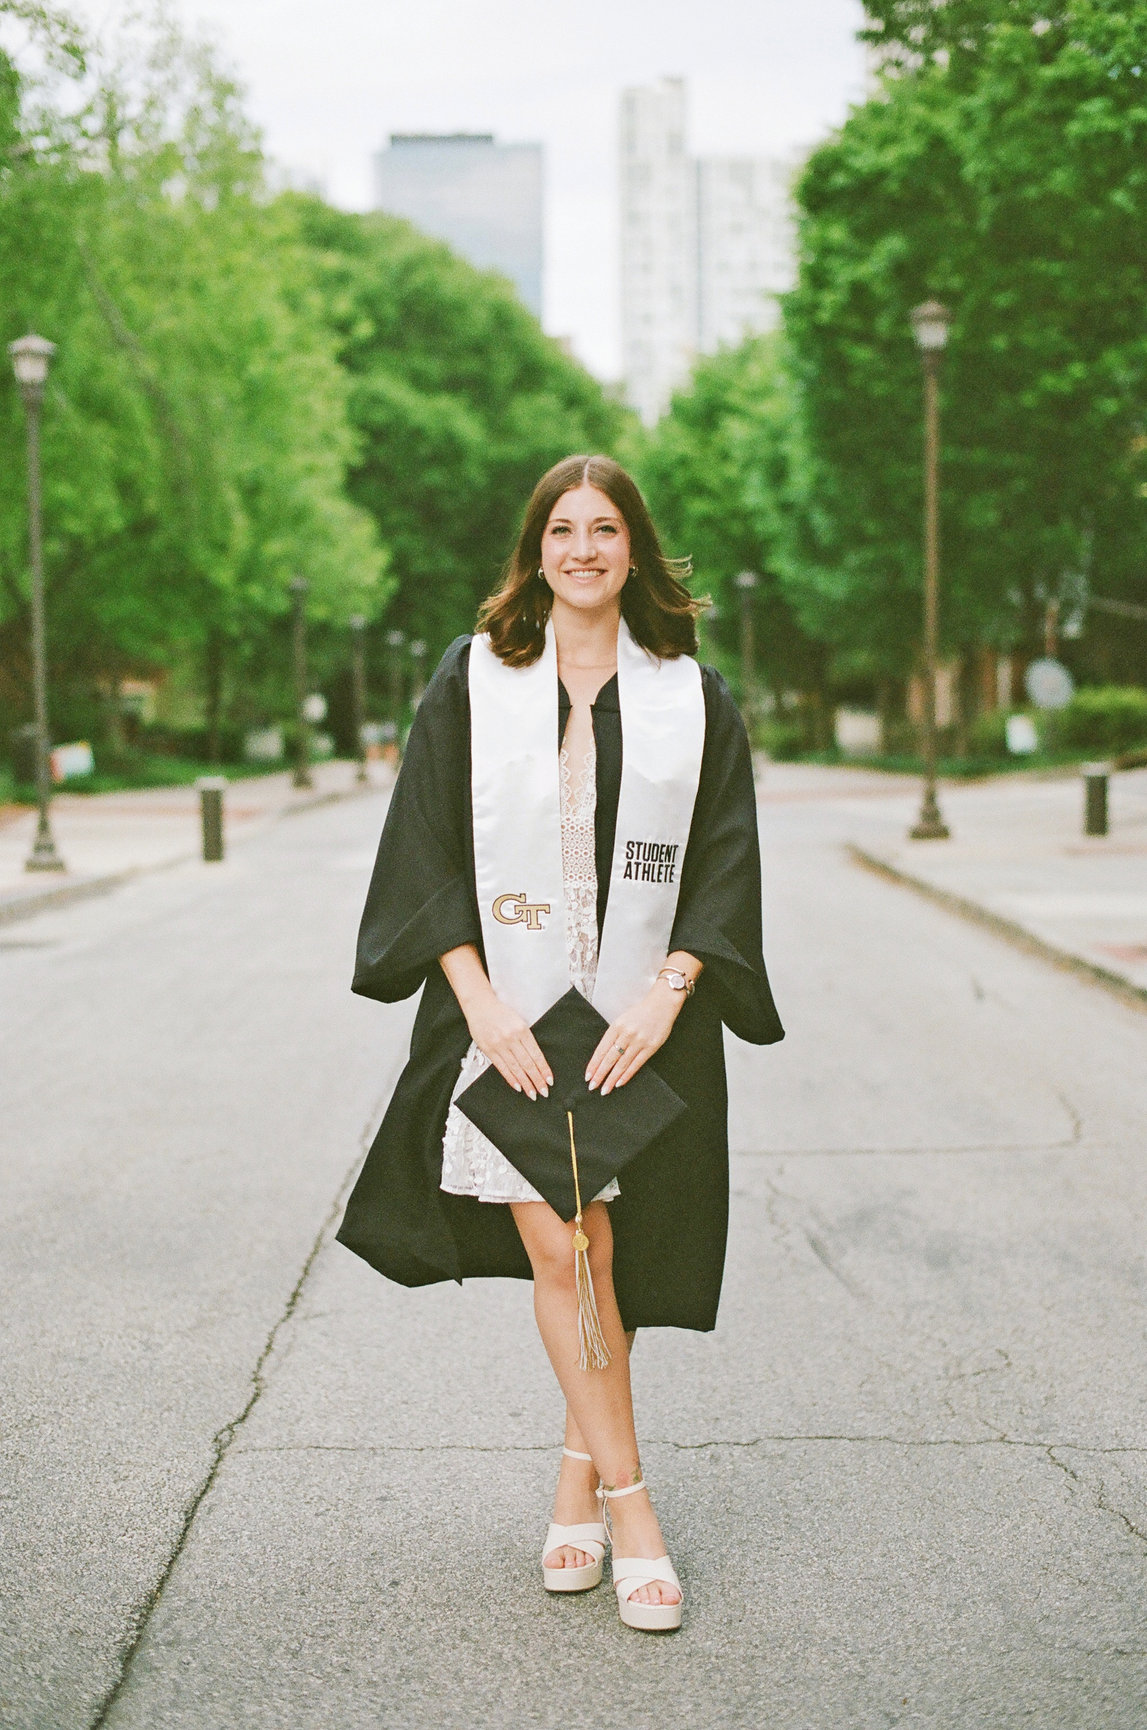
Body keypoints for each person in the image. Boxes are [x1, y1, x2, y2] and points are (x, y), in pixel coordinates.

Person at [338, 454, 783, 1632]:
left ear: (635, 548)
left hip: (643, 1020)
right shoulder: (474, 680)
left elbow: (726, 857)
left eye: (606, 529)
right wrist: (479, 1003)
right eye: (562, 529)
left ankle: (576, 1478)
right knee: (565, 1247)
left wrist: (672, 988)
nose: (583, 548)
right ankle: (634, 1505)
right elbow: (425, 844)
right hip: (509, 1016)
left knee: (613, 1250)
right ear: (535, 549)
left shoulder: (692, 695)